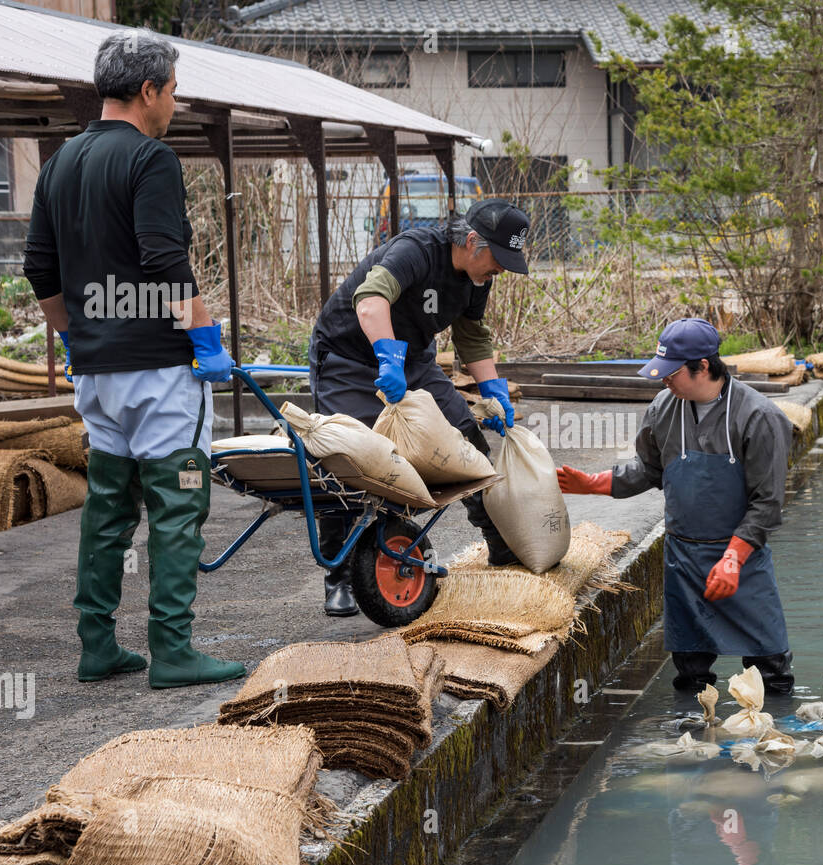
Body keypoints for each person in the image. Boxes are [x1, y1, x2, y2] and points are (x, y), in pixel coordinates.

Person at [23, 30, 245, 689]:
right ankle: (172, 650)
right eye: (173, 91)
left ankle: (98, 644)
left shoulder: (60, 163)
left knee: (108, 507)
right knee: (179, 501)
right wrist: (205, 340)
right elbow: (164, 259)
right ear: (148, 90)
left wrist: (74, 337)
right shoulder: (152, 159)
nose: (175, 103)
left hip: (99, 375)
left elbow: (39, 267)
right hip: (159, 371)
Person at [308, 198, 529, 615]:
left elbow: (472, 335)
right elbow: (371, 300)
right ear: (471, 241)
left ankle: (501, 549)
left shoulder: (478, 277)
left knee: (467, 444)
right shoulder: (417, 250)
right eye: (497, 259)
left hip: (413, 362)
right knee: (346, 460)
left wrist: (492, 387)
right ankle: (338, 577)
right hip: (348, 358)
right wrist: (387, 359)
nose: (500, 268)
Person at [555, 318, 794, 693]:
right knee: (690, 674)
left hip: (740, 557)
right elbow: (648, 470)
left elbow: (767, 504)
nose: (663, 379)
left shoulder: (760, 417)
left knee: (771, 667)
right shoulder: (664, 408)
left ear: (702, 367)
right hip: (683, 558)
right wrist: (591, 485)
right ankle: (694, 739)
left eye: (672, 372)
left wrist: (731, 560)